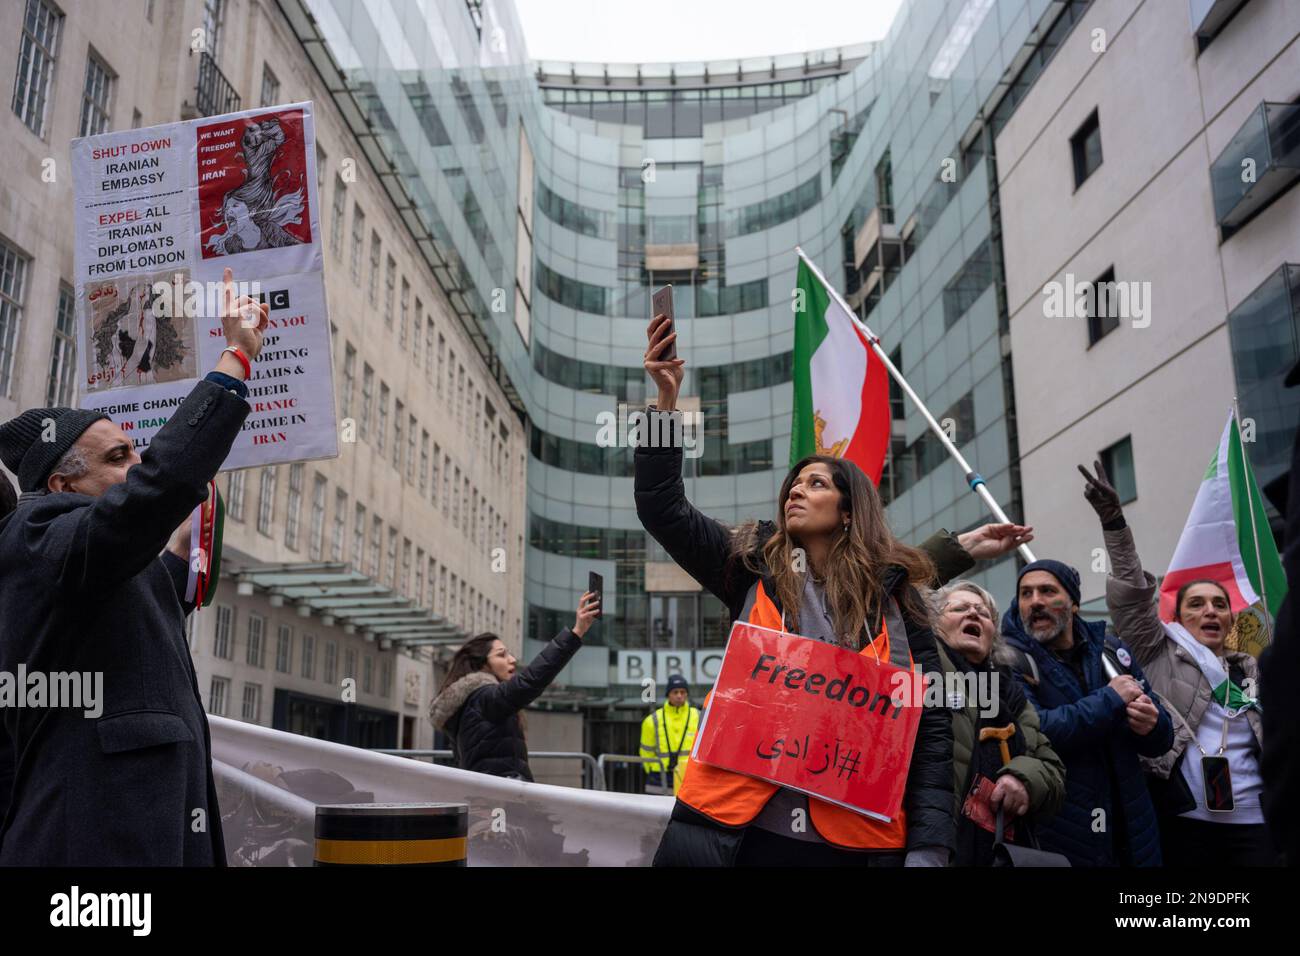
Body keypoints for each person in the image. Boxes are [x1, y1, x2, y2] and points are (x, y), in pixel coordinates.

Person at [638, 312, 959, 867]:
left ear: (847, 511)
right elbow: (661, 508)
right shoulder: (748, 568)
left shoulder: (898, 602)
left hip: (853, 845)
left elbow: (929, 730)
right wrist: (666, 404)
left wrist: (930, 848)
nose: (796, 492)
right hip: (738, 835)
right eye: (794, 484)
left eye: (816, 484)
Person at [0, 267, 267, 865]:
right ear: (63, 482)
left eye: (136, 453)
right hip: (91, 844)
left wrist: (196, 483)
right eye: (119, 457)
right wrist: (234, 360)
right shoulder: (39, 531)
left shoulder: (102, 555)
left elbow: (165, 574)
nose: (135, 465)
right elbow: (155, 488)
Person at [1081, 460, 1276, 866]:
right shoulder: (1157, 649)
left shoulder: (1253, 670)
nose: (1210, 612)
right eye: (1197, 604)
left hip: (1256, 822)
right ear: (1177, 615)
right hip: (1184, 820)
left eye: (1219, 605)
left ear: (1230, 619)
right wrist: (1115, 523)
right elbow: (1132, 595)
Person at [1000, 556, 1174, 866]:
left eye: (1047, 591)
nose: (1035, 602)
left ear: (1074, 604)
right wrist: (1109, 700)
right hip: (1066, 833)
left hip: (1133, 830)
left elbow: (1162, 740)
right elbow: (1038, 730)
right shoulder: (1008, 660)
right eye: (1026, 594)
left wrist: (1152, 724)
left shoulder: (1111, 651)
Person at [932, 580, 1066, 866]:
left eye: (982, 612)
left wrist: (1023, 779)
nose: (973, 614)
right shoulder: (920, 670)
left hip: (998, 854)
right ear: (933, 624)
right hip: (934, 848)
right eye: (959, 608)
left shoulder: (1012, 695)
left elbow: (1052, 769)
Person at [428, 590, 600, 781]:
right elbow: (530, 681)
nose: (512, 660)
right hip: (503, 799)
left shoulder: (468, 704)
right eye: (501, 655)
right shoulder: (483, 698)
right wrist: (576, 632)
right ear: (482, 663)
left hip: (491, 798)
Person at [639, 674, 700, 795]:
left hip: (689, 774)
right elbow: (645, 753)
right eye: (675, 692)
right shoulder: (652, 720)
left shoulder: (698, 716)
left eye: (683, 692)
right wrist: (652, 769)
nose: (679, 696)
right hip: (658, 777)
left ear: (687, 694)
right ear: (668, 695)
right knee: (656, 812)